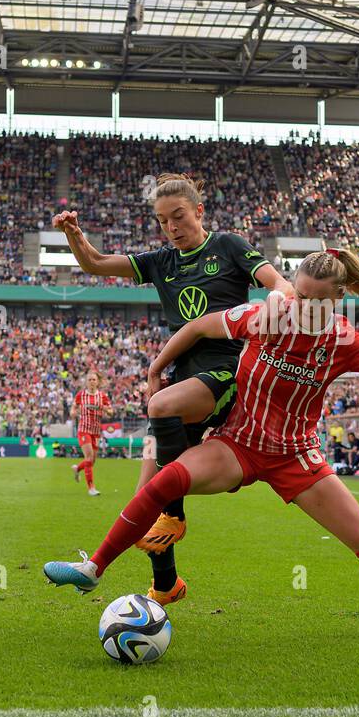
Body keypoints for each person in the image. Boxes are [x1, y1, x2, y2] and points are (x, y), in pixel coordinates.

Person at [44, 249, 359, 637]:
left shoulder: (343, 341)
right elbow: (198, 326)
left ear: (338, 299)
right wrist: (156, 369)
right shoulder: (265, 317)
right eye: (300, 295)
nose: (304, 306)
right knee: (165, 481)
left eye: (317, 300)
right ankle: (93, 569)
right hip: (238, 444)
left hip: (296, 456)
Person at [52, 173, 293, 605]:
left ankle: (175, 515)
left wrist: (277, 298)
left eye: (178, 217)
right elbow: (95, 264)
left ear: (199, 211)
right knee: (148, 494)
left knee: (160, 407)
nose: (172, 228)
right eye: (163, 221)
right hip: (184, 377)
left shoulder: (230, 247)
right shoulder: (162, 261)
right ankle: (159, 584)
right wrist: (75, 235)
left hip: (225, 373)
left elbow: (281, 283)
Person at [72, 371, 110, 496]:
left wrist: (103, 408)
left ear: (97, 382)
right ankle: (91, 488)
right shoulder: (81, 395)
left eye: (94, 379)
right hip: (84, 429)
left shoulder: (102, 396)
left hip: (96, 431)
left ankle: (77, 469)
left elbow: (111, 412)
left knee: (92, 461)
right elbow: (73, 409)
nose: (92, 382)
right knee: (88, 457)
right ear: (86, 382)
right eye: (89, 380)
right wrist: (73, 413)